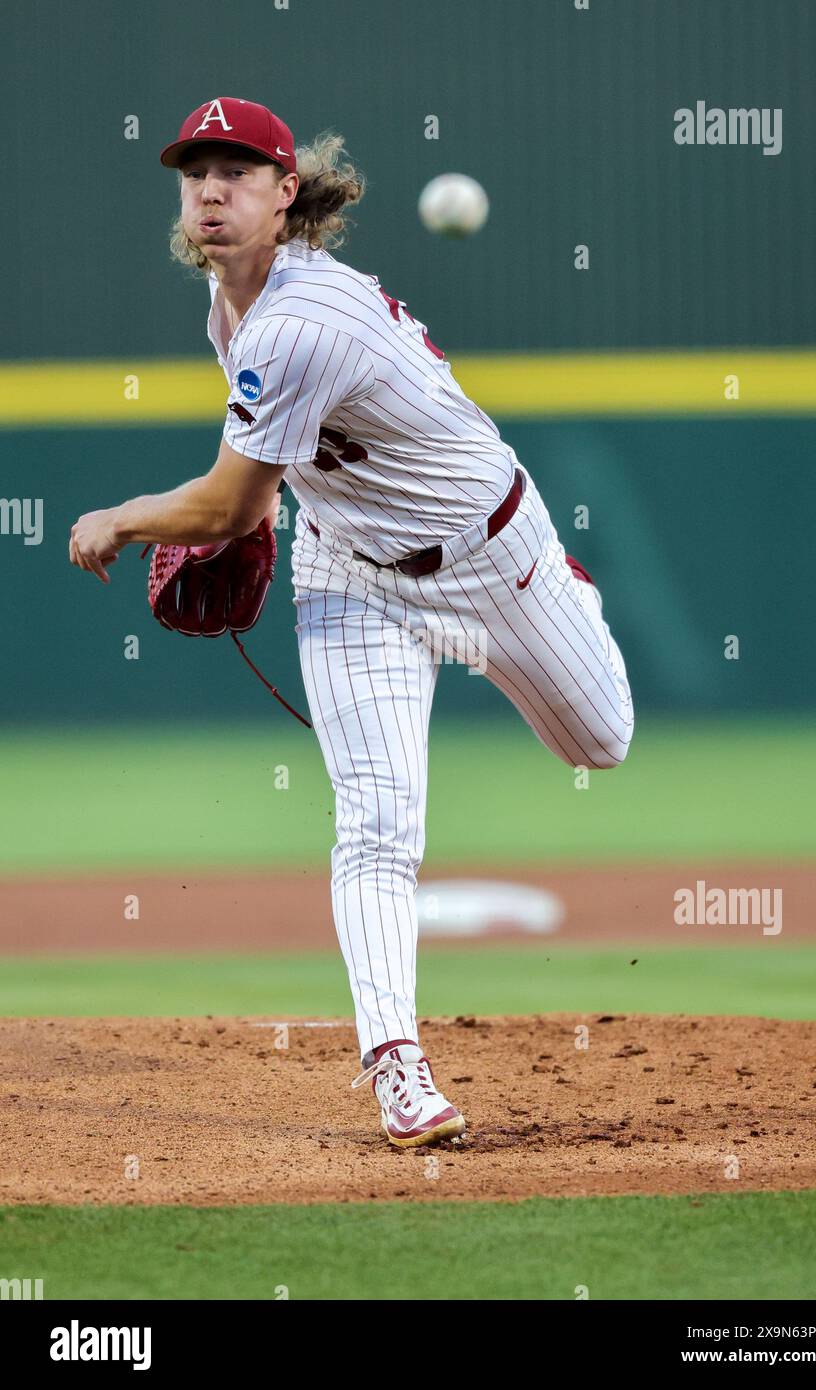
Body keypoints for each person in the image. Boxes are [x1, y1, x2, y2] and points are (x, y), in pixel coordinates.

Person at [70, 98, 634, 1148]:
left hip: (490, 556)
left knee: (599, 741)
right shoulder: (225, 301)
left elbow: (227, 506)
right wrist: (273, 500)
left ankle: (576, 592)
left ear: (286, 196)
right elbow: (276, 465)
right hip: (350, 575)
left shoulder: (299, 319)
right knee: (374, 822)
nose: (209, 189)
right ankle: (397, 1068)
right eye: (194, 171)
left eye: (236, 171)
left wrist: (122, 518)